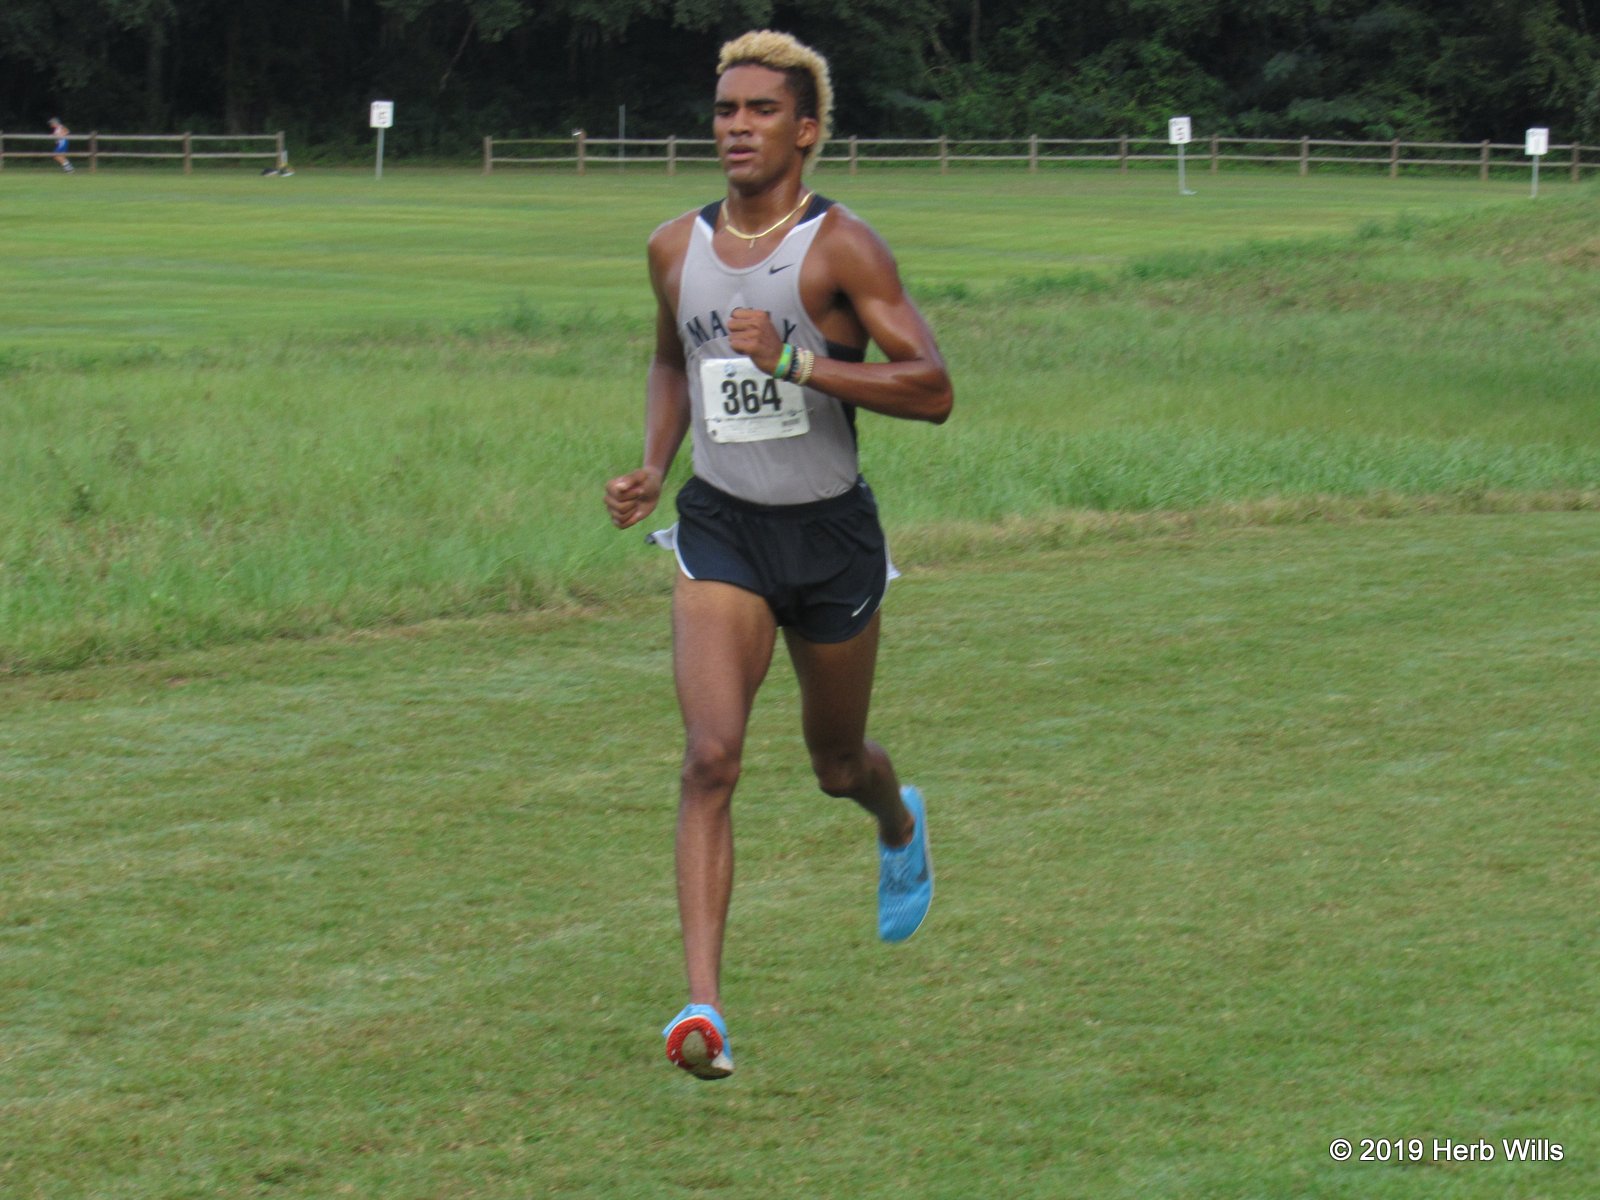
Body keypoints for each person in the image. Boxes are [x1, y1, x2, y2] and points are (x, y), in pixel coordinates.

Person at [603, 29, 953, 1081]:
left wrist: (797, 359)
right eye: (724, 110)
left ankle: (897, 821)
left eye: (761, 110)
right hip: (723, 527)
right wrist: (654, 465)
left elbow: (932, 388)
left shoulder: (842, 248)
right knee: (710, 756)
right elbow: (674, 359)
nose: (737, 127)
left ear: (806, 130)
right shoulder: (674, 247)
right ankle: (701, 1009)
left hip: (831, 536)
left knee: (836, 764)